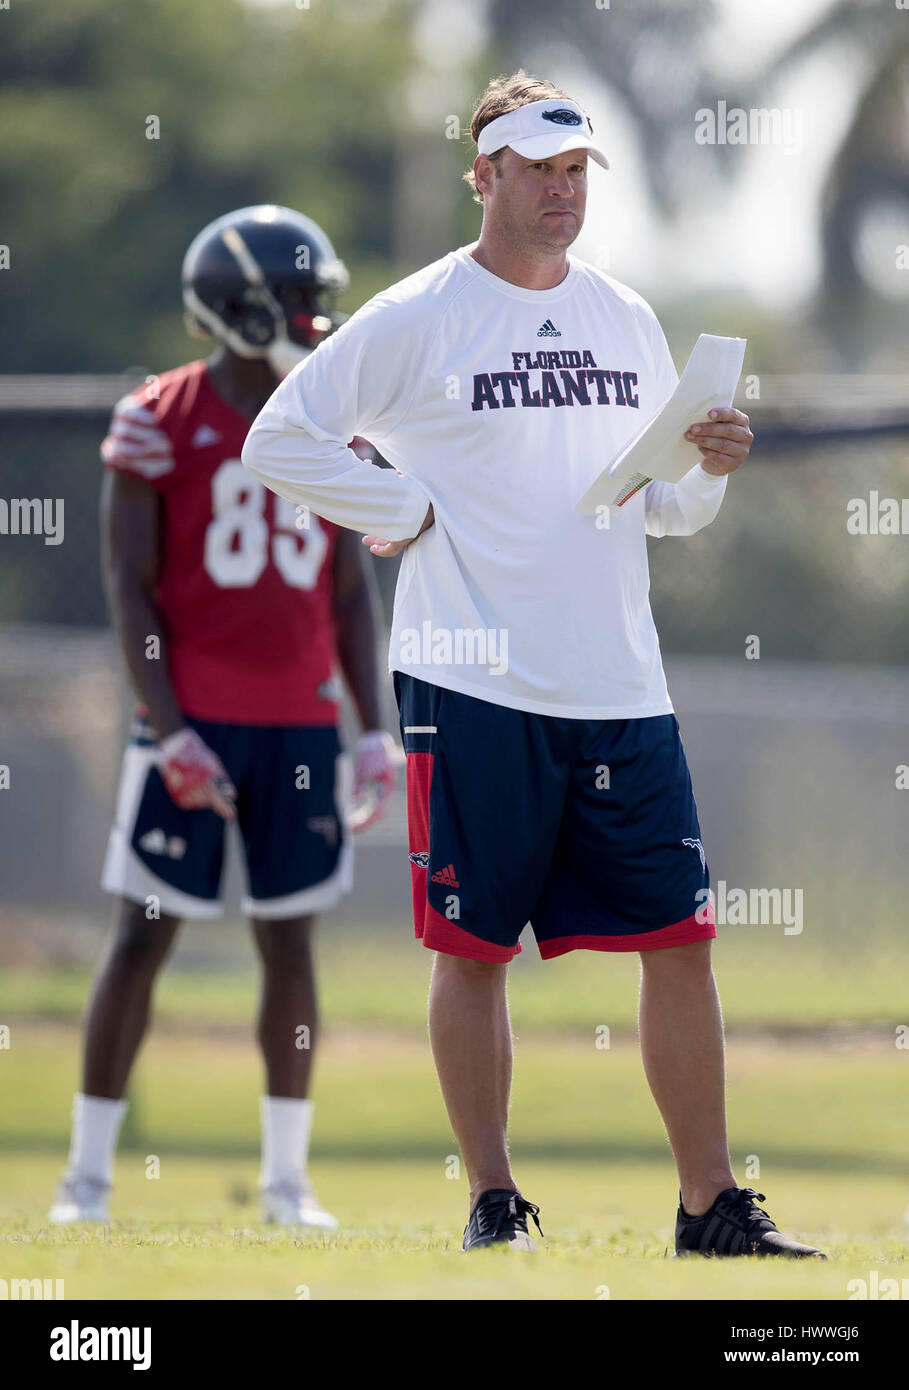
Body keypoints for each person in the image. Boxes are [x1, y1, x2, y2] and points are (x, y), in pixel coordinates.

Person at [241, 76, 824, 1259]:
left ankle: (710, 1207)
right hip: (471, 685)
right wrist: (397, 502)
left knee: (683, 938)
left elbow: (666, 511)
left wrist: (708, 465)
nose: (563, 192)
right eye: (540, 169)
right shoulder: (417, 315)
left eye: (577, 172)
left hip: (621, 685)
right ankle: (493, 1204)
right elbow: (278, 437)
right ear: (486, 175)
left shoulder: (623, 316)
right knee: (472, 948)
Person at [50, 205, 396, 1231]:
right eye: (294, 299)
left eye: (317, 297)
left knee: (290, 949)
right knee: (140, 937)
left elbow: (345, 593)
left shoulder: (327, 421)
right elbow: (129, 586)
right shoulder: (161, 417)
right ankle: (87, 1179)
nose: (312, 316)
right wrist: (169, 728)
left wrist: (369, 730)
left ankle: (287, 1182)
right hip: (194, 719)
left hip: (299, 727)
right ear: (232, 308)